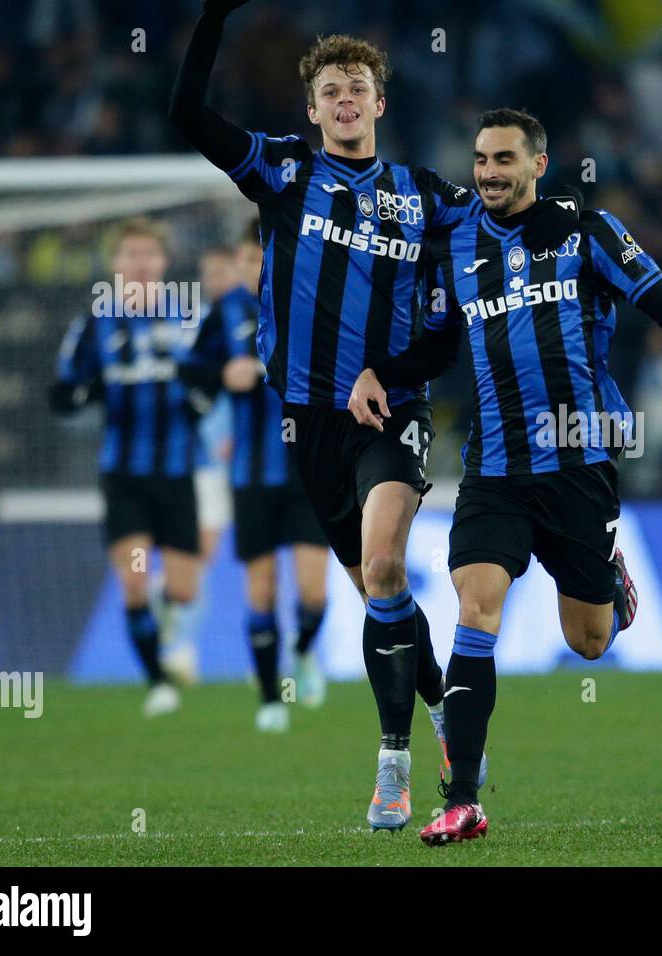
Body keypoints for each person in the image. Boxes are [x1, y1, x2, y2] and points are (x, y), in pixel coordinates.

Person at [168, 0, 572, 829]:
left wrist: (567, 217)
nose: (346, 99)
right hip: (308, 422)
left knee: (386, 567)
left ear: (380, 104)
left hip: (393, 409)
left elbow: (509, 212)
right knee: (378, 595)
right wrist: (214, 17)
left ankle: (392, 767)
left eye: (359, 86)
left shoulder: (424, 195)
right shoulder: (282, 170)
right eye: (330, 90)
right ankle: (439, 713)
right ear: (312, 109)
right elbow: (184, 115)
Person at [359, 108, 662, 844]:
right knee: (475, 608)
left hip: (579, 460)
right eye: (481, 159)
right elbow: (440, 344)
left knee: (588, 641)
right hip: (494, 468)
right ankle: (462, 799)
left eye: (504, 160)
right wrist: (379, 373)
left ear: (538, 164)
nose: (487, 172)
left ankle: (608, 579)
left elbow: (658, 295)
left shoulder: (587, 231)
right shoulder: (456, 240)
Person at [49, 217, 205, 718]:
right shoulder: (95, 323)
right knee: (134, 579)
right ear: (115, 265)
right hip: (125, 479)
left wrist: (204, 391)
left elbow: (217, 381)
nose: (139, 264)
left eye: (148, 255)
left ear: (162, 264)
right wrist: (83, 392)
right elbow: (62, 394)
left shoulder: (190, 318)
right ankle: (159, 682)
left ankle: (165, 612)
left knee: (182, 590)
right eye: (130, 255)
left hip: (178, 475)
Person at [181, 221, 330, 732]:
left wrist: (263, 372)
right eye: (245, 259)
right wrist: (220, 378)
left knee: (315, 593)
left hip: (308, 469)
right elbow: (191, 376)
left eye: (259, 258)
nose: (252, 268)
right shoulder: (225, 314)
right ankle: (270, 699)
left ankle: (304, 651)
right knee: (261, 590)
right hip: (250, 474)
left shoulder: (308, 304)